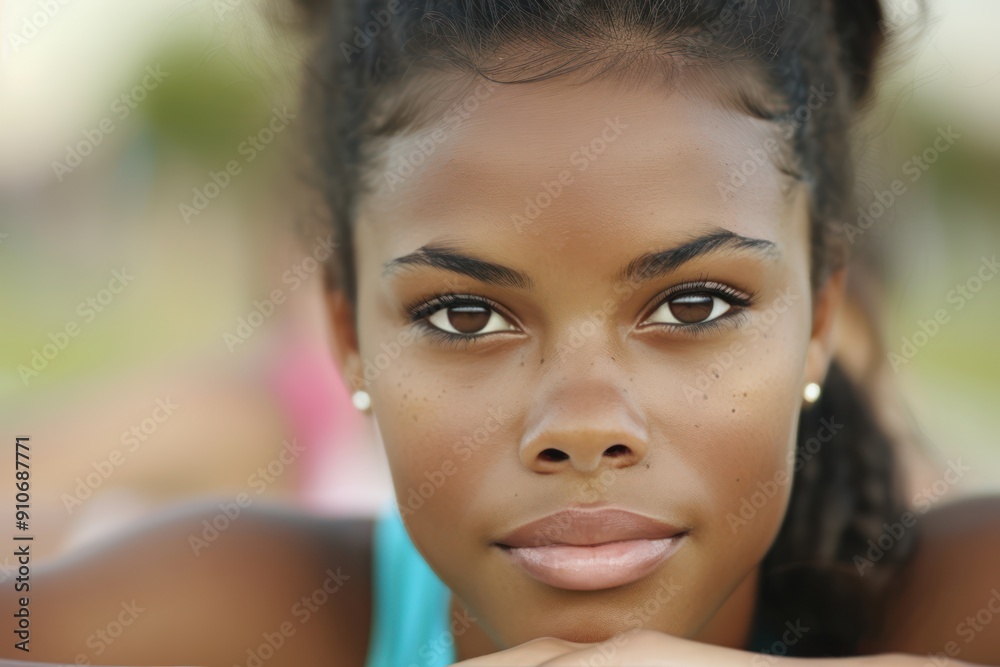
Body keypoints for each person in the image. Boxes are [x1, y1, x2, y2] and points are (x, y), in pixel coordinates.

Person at [5, 0, 999, 665]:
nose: (581, 425)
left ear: (821, 316)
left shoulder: (950, 599)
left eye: (693, 306)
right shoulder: (258, 604)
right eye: (464, 314)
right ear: (349, 334)